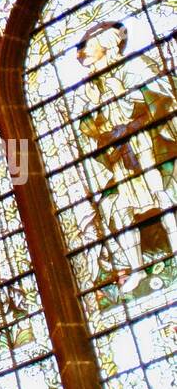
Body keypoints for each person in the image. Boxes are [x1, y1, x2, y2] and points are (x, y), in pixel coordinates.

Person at [75, 20, 177, 294]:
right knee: (120, 209)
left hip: (148, 144)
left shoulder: (135, 65)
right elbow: (88, 127)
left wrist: (130, 115)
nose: (82, 52)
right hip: (118, 154)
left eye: (87, 45)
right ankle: (137, 268)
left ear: (106, 42)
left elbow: (162, 99)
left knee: (162, 193)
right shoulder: (88, 88)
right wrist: (101, 125)